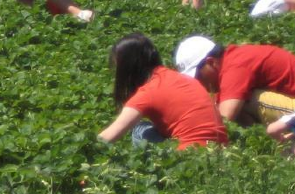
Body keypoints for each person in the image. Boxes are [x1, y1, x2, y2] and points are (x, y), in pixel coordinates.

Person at [96, 33, 228, 149]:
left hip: (189, 154)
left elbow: (109, 136)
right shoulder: (178, 77)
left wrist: (84, 151)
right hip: (219, 148)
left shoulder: (147, 93)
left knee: (139, 130)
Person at [175, 35, 295, 126]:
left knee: (245, 100)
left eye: (198, 77)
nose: (199, 83)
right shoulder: (233, 59)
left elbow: (224, 120)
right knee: (228, 102)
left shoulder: (236, 67)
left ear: (211, 63)